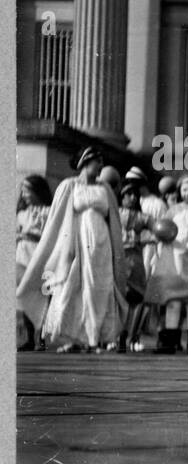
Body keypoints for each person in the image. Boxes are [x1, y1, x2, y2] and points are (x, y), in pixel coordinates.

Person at [17, 147, 128, 353]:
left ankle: (94, 338)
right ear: (85, 162)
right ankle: (73, 338)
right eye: (97, 161)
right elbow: (56, 220)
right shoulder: (69, 185)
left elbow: (113, 220)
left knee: (97, 287)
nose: (100, 166)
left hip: (101, 243)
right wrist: (64, 246)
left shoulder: (105, 189)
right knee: (72, 287)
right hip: (76, 242)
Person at [145, 174, 188, 355]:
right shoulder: (173, 210)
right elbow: (162, 230)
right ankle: (169, 342)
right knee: (173, 301)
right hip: (174, 257)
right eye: (184, 190)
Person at [16, 174, 53, 352]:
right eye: (22, 191)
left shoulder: (48, 211)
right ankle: (30, 338)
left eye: (27, 191)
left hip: (40, 254)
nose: (24, 195)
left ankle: (42, 338)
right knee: (25, 296)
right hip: (23, 256)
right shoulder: (22, 214)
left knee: (44, 297)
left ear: (37, 192)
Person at [115, 179, 152, 353]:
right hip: (118, 257)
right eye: (128, 194)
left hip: (135, 258)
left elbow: (157, 228)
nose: (132, 198)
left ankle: (130, 335)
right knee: (119, 297)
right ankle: (117, 335)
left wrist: (152, 237)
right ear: (121, 197)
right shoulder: (115, 212)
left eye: (135, 195)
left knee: (136, 298)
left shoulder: (143, 217)